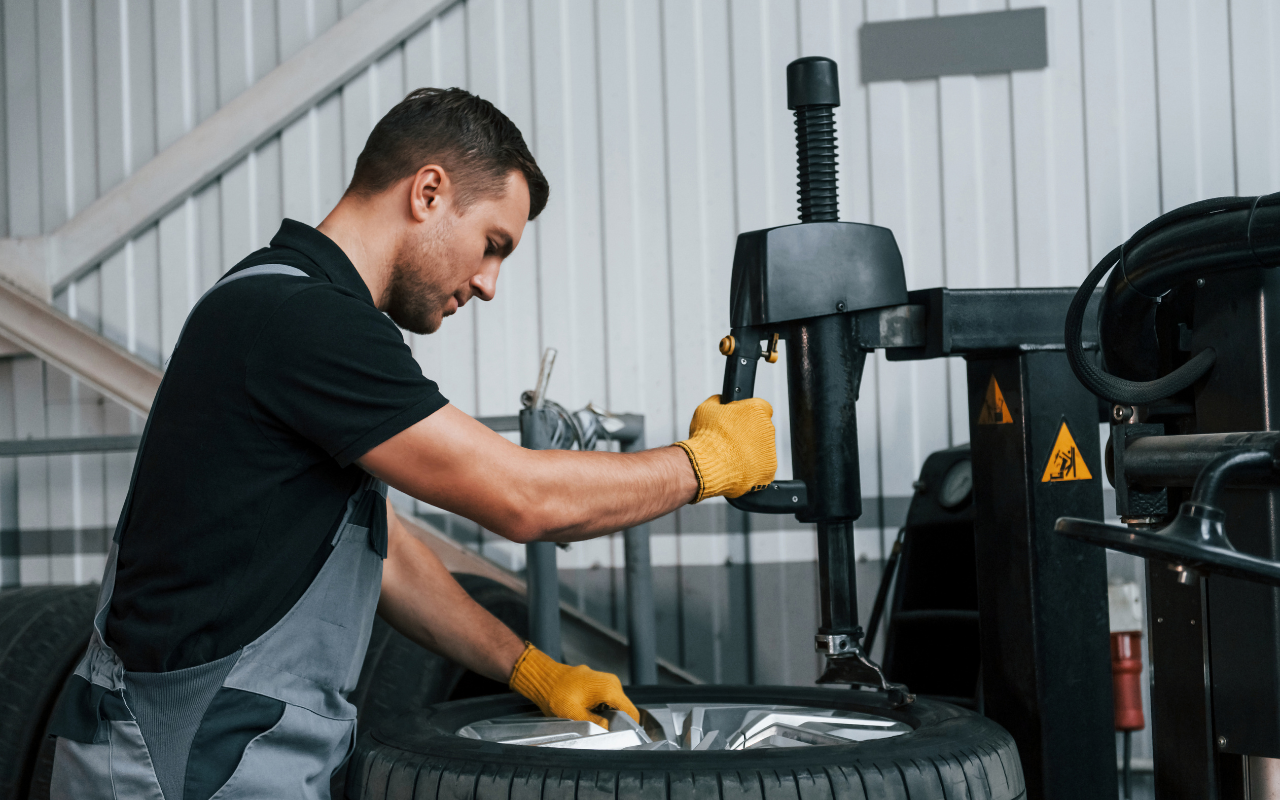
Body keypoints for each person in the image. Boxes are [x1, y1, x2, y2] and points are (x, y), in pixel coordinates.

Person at [47, 87, 777, 799]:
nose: (489, 284)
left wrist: (531, 671)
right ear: (428, 192)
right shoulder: (302, 317)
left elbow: (379, 551)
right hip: (182, 762)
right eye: (493, 245)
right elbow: (525, 499)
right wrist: (708, 464)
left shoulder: (283, 303)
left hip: (218, 753)